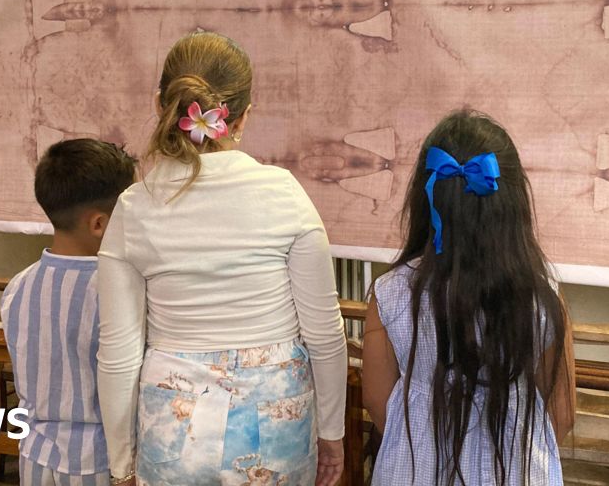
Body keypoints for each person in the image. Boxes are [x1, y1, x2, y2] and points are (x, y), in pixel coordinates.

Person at [96, 31, 347, 486]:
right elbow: (326, 334)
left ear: (161, 106)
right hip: (277, 423)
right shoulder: (284, 194)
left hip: (173, 426)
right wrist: (332, 431)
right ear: (244, 116)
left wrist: (121, 466)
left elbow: (118, 352)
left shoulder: (136, 207)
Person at [362, 110, 576, 486]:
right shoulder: (543, 298)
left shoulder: (390, 294)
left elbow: (379, 404)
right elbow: (562, 415)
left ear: (425, 198)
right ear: (513, 206)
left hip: (412, 470)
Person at [0, 138, 137, 486]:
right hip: (99, 460)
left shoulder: (17, 285)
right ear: (99, 224)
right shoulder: (115, 290)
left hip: (34, 453)